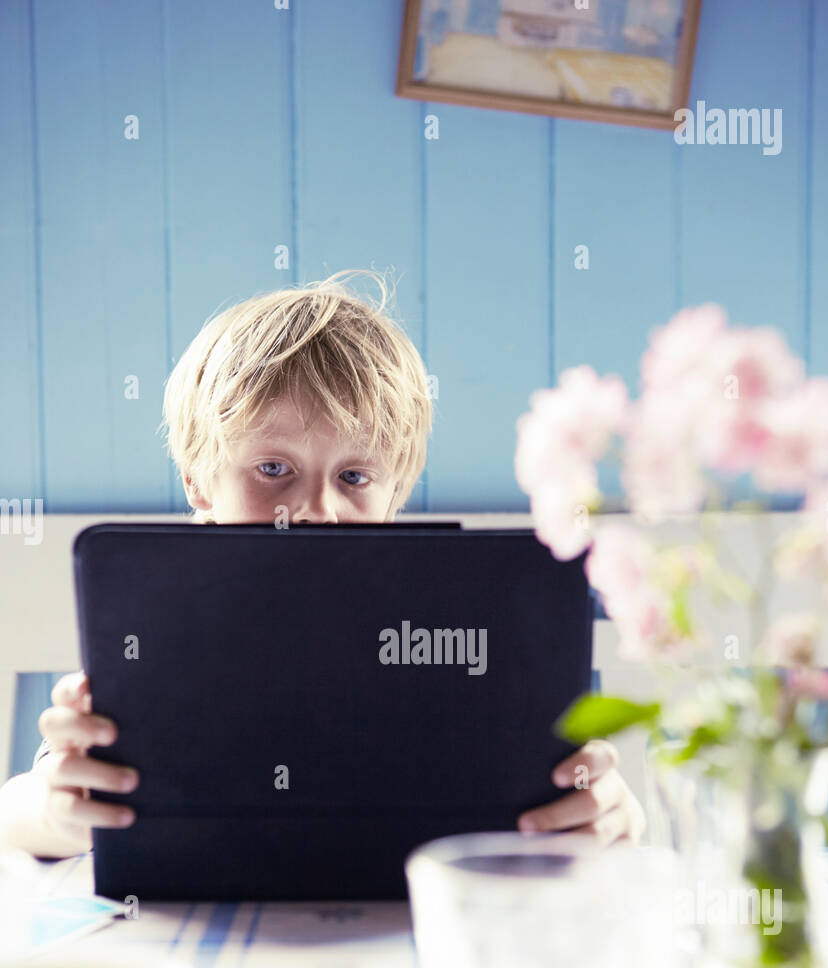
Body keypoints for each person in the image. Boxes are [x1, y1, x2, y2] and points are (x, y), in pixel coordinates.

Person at [0, 274, 645, 860]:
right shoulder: (157, 634)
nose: (315, 510)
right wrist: (58, 813)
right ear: (198, 482)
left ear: (394, 495)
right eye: (273, 469)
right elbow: (19, 812)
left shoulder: (459, 636)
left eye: (355, 476)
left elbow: (577, 801)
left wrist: (617, 814)